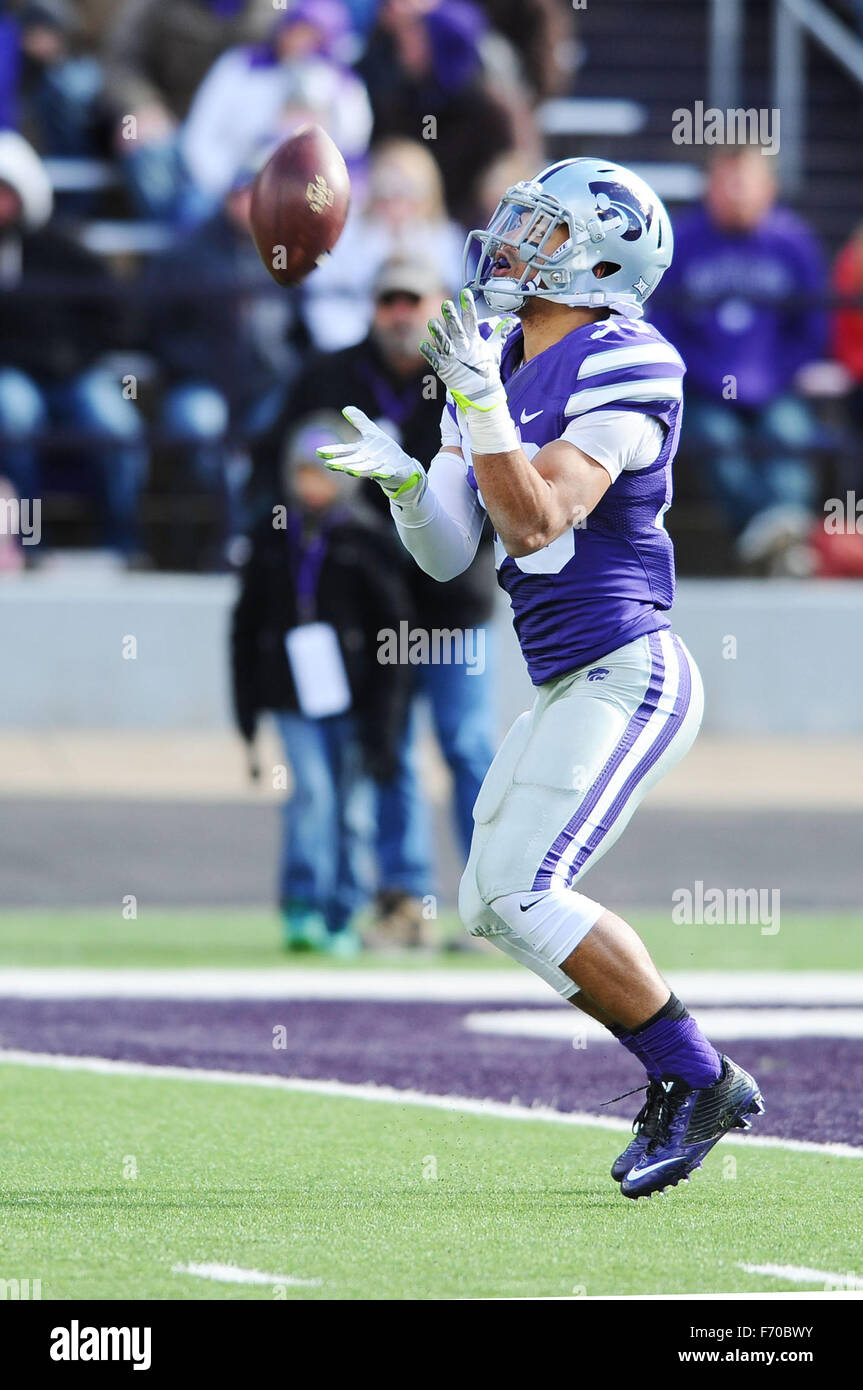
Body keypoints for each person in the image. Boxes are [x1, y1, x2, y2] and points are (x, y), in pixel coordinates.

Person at [319, 156, 765, 1198]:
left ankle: (696, 1078)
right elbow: (445, 549)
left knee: (523, 887)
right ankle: (687, 1075)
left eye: (545, 229)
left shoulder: (630, 355)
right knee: (485, 895)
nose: (513, 242)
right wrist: (399, 476)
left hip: (630, 670)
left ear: (605, 260)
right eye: (517, 219)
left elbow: (535, 517)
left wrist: (476, 402)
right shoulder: (498, 354)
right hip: (569, 681)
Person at [275, 255, 497, 945]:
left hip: (451, 600)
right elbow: (281, 470)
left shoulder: (470, 379)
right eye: (387, 300)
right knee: (390, 752)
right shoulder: (332, 378)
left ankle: (493, 904)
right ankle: (407, 904)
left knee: (467, 747)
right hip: (370, 612)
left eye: (412, 299)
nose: (400, 313)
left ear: (437, 304)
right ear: (372, 307)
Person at [231, 414, 412, 954]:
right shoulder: (271, 534)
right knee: (309, 793)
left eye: (324, 471)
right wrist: (246, 709)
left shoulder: (367, 537)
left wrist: (385, 723)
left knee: (352, 808)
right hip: (290, 693)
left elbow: (395, 636)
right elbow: (245, 625)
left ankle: (343, 912)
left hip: (353, 699)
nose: (312, 483)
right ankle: (302, 904)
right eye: (303, 471)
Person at [651, 146, 828, 574]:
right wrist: (709, 376)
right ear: (710, 188)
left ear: (769, 188)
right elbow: (665, 328)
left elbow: (812, 328)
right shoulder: (683, 242)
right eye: (726, 182)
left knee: (789, 432)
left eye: (744, 182)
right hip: (705, 389)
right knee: (718, 439)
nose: (735, 193)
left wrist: (771, 377)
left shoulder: (793, 243)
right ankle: (767, 532)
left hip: (776, 387)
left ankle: (782, 527)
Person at [147, 162, 304, 564]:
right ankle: (225, 540)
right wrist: (195, 365)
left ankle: (269, 545)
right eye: (241, 194)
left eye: (257, 196)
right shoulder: (187, 256)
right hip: (202, 384)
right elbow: (155, 331)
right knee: (205, 428)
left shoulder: (287, 254)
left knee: (291, 429)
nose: (248, 204)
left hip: (267, 386)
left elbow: (302, 334)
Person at [0, 131, 145, 558]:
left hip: (76, 375)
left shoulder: (64, 250)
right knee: (13, 415)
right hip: (13, 376)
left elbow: (116, 317)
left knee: (118, 426)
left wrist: (75, 356)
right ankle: (27, 544)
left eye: (5, 192)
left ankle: (122, 543)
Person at [180, 1, 372, 216]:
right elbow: (200, 134)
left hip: (308, 192)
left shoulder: (342, 85)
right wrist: (229, 187)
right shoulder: (240, 64)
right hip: (230, 184)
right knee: (196, 208)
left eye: (312, 35)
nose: (300, 41)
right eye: (296, 30)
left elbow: (352, 147)